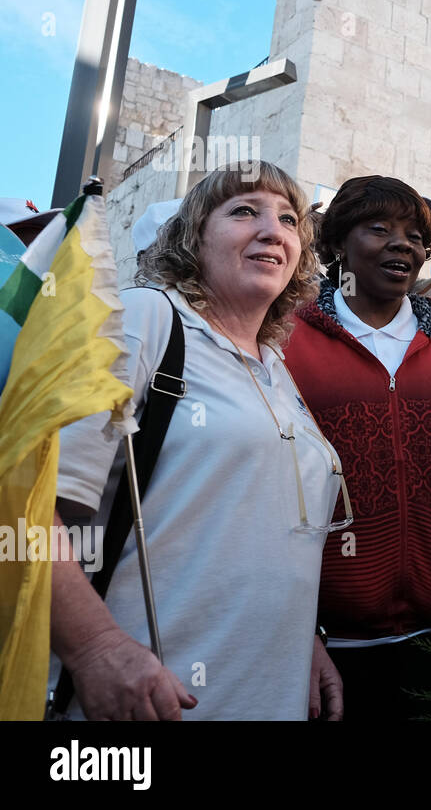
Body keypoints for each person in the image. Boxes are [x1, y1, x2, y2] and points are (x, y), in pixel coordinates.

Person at [50, 162, 345, 720]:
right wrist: (93, 648)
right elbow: (24, 509)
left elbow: (244, 526)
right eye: (243, 211)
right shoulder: (144, 321)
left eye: (288, 220)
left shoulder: (277, 370)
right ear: (191, 239)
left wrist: (299, 638)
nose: (272, 230)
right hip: (148, 701)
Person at [282, 176, 431, 720]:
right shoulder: (282, 341)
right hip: (324, 645)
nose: (404, 243)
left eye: (416, 235)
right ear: (338, 244)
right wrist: (295, 613)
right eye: (380, 229)